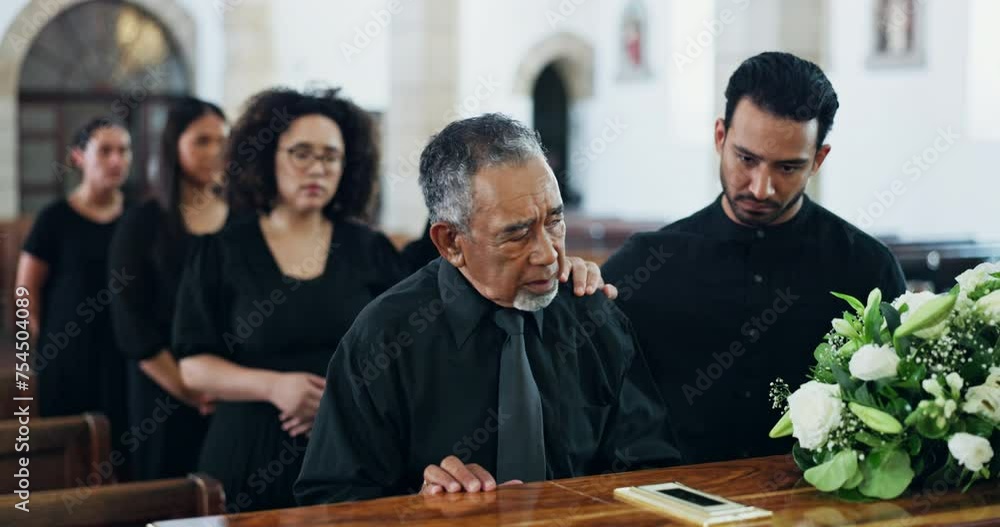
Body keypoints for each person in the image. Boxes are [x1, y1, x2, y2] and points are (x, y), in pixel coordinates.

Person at [172, 89, 621, 511]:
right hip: (257, 438)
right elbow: (193, 361)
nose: (318, 168)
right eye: (302, 153)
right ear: (267, 157)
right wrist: (277, 388)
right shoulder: (223, 251)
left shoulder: (368, 250)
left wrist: (556, 270)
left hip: (356, 429)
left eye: (331, 156)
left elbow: (445, 291)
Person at [294, 113, 679, 505]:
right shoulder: (385, 337)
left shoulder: (593, 316)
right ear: (450, 242)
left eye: (554, 221)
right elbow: (329, 501)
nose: (548, 254)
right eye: (517, 234)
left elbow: (651, 471)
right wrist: (419, 510)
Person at [601, 52, 907, 464]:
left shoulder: (868, 268)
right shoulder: (644, 263)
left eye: (788, 168)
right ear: (720, 137)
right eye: (747, 159)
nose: (761, 188)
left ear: (818, 160)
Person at [109, 97, 229, 480]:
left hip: (234, 388)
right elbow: (131, 323)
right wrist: (189, 391)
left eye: (222, 141)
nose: (216, 151)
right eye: (202, 141)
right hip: (162, 389)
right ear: (174, 146)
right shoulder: (142, 223)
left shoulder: (244, 217)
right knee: (169, 492)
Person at [16, 117, 133, 472]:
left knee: (123, 454)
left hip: (124, 355)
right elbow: (26, 289)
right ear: (79, 157)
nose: (116, 160)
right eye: (105, 151)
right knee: (71, 456)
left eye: (124, 150)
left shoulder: (138, 217)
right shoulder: (54, 218)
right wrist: (42, 340)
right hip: (67, 356)